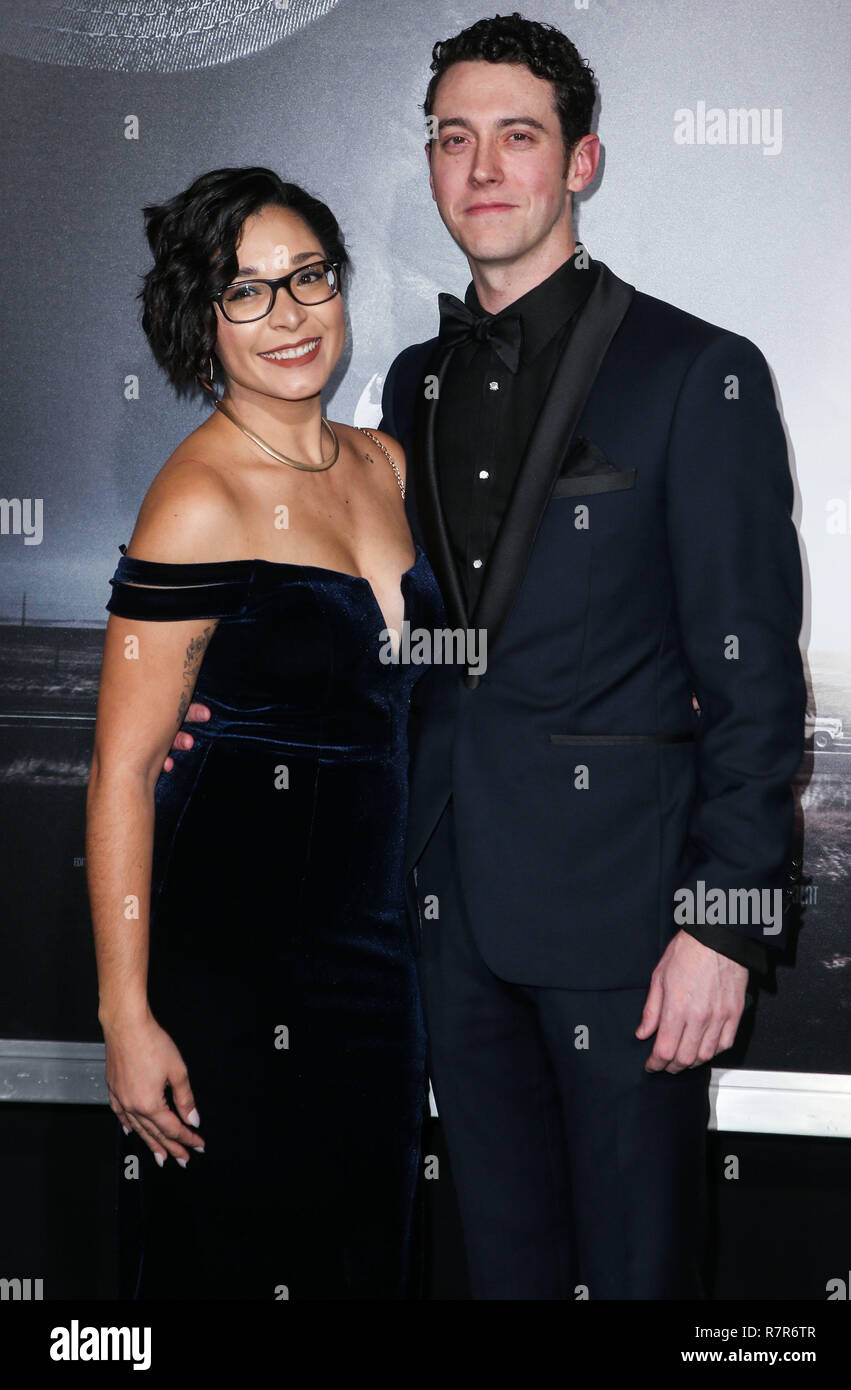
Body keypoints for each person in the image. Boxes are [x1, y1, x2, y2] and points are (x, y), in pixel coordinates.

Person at [174, 15, 806, 1299]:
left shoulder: (698, 373)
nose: (480, 167)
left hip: (629, 931)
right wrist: (223, 713)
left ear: (582, 161)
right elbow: (404, 638)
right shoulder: (406, 383)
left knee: (640, 1277)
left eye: (516, 135)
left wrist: (725, 930)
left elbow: (751, 675)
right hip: (442, 916)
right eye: (452, 138)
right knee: (498, 1272)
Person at [86, 166, 445, 1300]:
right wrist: (126, 1012)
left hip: (380, 959)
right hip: (231, 961)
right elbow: (123, 771)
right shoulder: (197, 499)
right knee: (228, 1260)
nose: (289, 315)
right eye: (247, 293)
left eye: (308, 279)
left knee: (361, 1257)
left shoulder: (385, 463)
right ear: (199, 321)